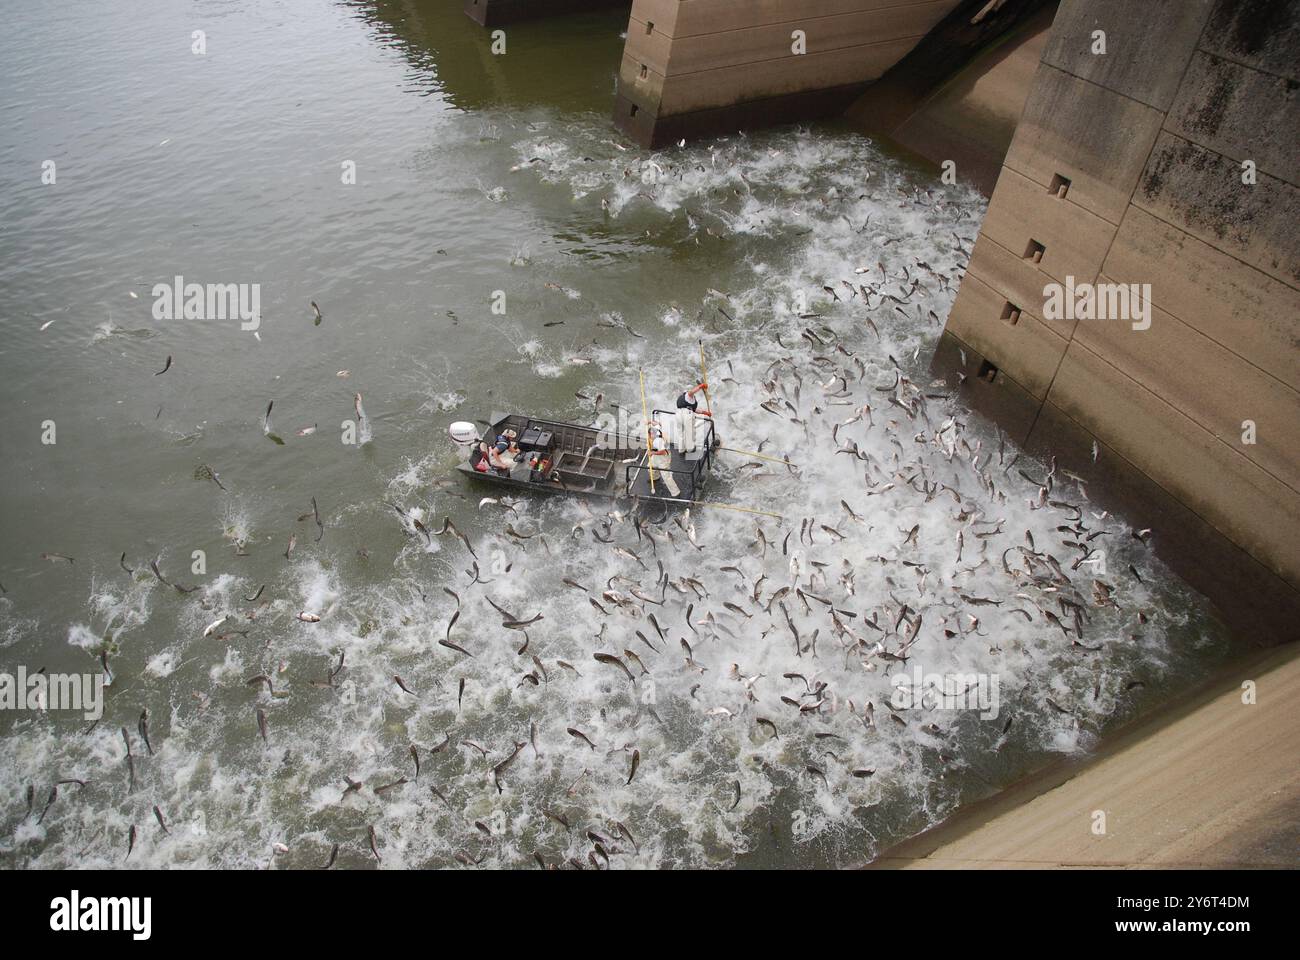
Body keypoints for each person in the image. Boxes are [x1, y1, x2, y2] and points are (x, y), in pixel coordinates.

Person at [646, 421, 680, 497]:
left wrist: (652, 453)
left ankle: (675, 492)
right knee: (650, 467)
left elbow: (663, 452)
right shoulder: (657, 430)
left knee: (666, 477)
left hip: (663, 458)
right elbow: (658, 424)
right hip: (656, 456)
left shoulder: (658, 441)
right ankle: (655, 478)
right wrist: (649, 422)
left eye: (650, 434)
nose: (649, 436)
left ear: (654, 434)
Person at [675, 381, 710, 453]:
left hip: (678, 414)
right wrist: (701, 386)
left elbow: (695, 410)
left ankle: (681, 449)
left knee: (681, 433)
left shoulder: (683, 398)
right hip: (687, 414)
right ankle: (690, 449)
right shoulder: (689, 395)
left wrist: (705, 413)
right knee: (690, 432)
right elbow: (691, 392)